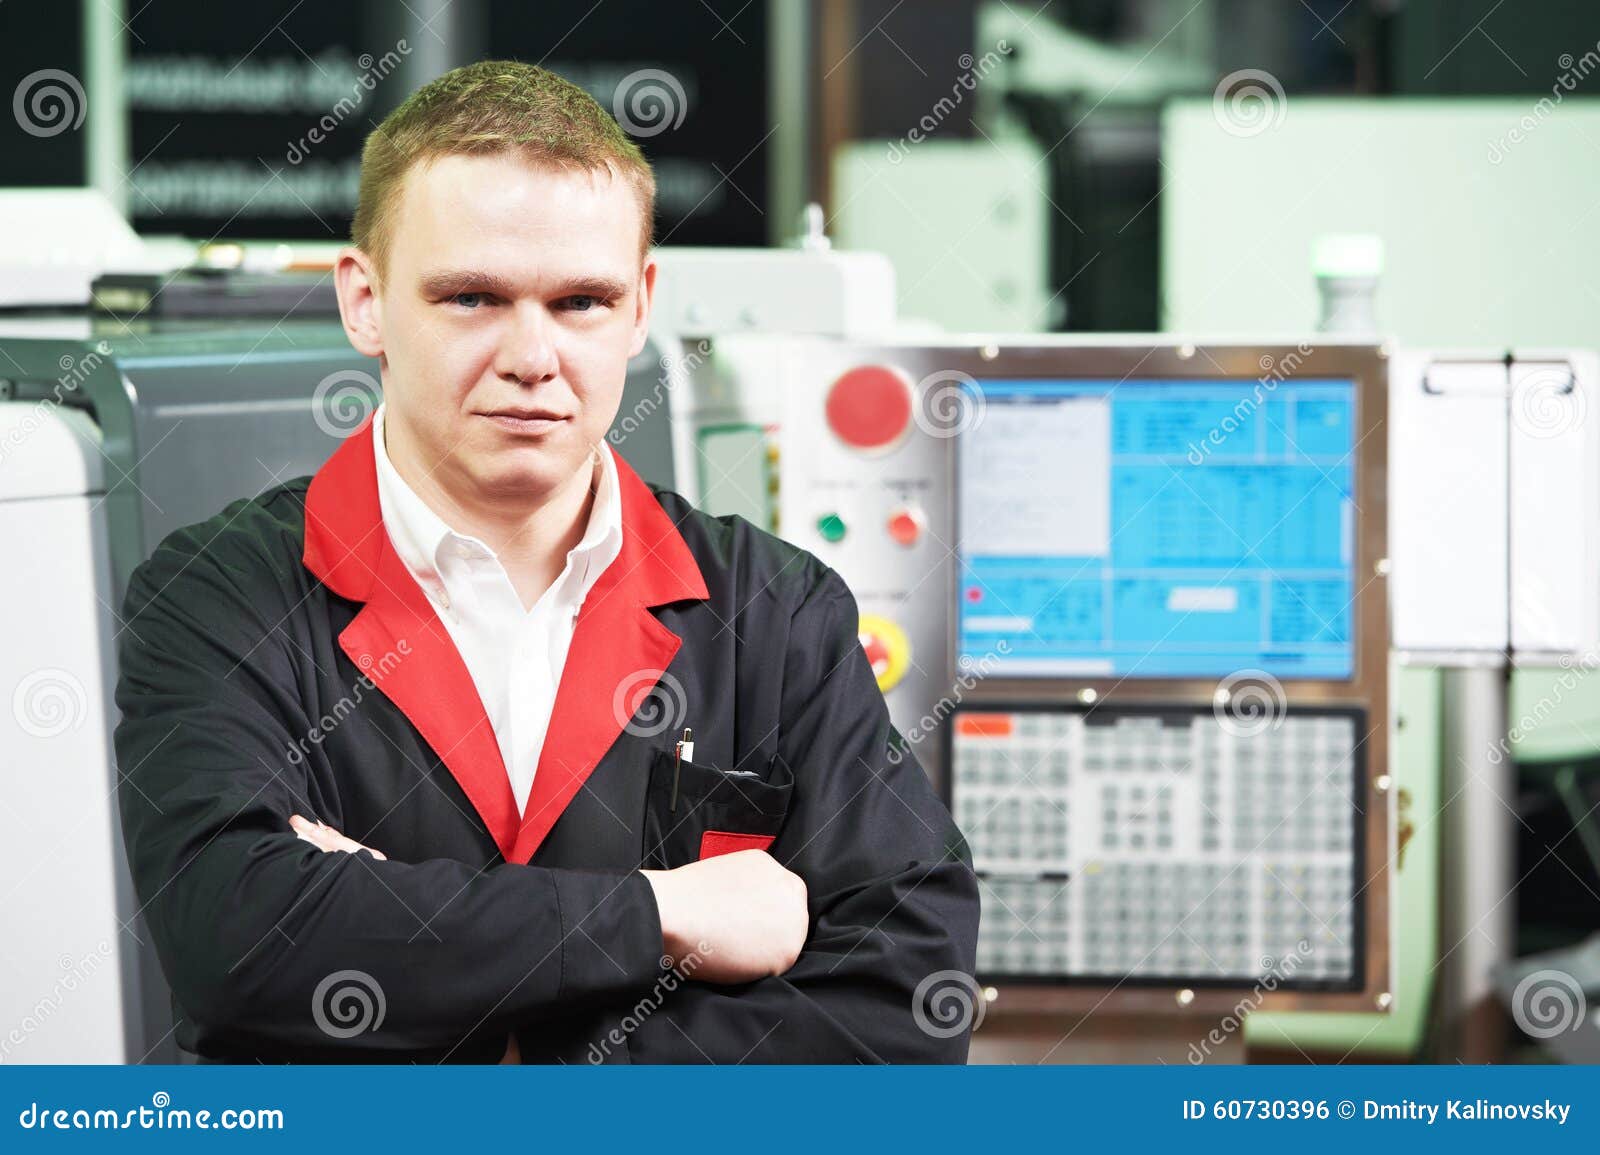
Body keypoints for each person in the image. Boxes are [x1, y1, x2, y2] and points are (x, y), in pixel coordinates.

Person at [114, 59, 978, 1064]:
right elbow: (239, 938)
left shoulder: (774, 613)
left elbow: (906, 1007)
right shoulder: (221, 595)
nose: (533, 356)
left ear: (642, 305)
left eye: (580, 302)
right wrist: (664, 916)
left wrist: (424, 963)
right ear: (364, 301)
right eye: (473, 297)